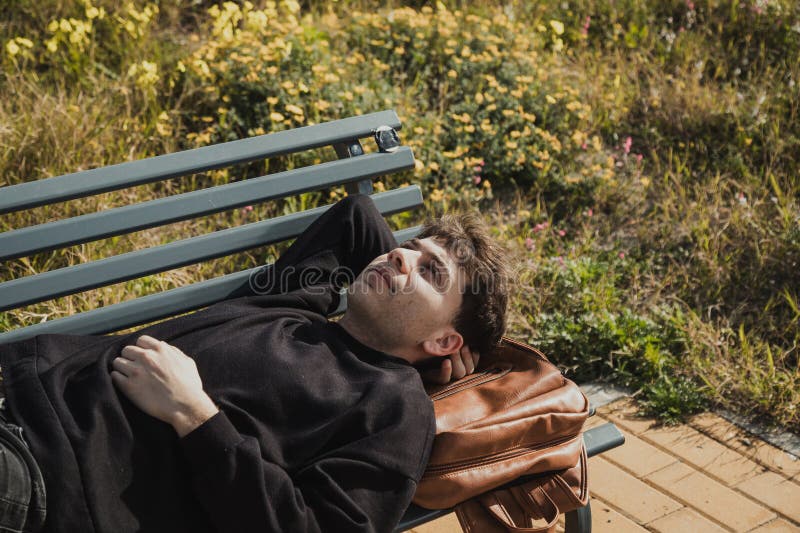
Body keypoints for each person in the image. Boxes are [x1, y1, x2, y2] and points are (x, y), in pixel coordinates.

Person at [0, 194, 509, 533]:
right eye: (407, 248)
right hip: (22, 385)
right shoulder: (293, 304)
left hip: (51, 473)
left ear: (448, 339)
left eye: (429, 271)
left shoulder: (394, 408)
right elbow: (356, 217)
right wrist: (422, 336)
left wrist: (196, 418)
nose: (401, 258)